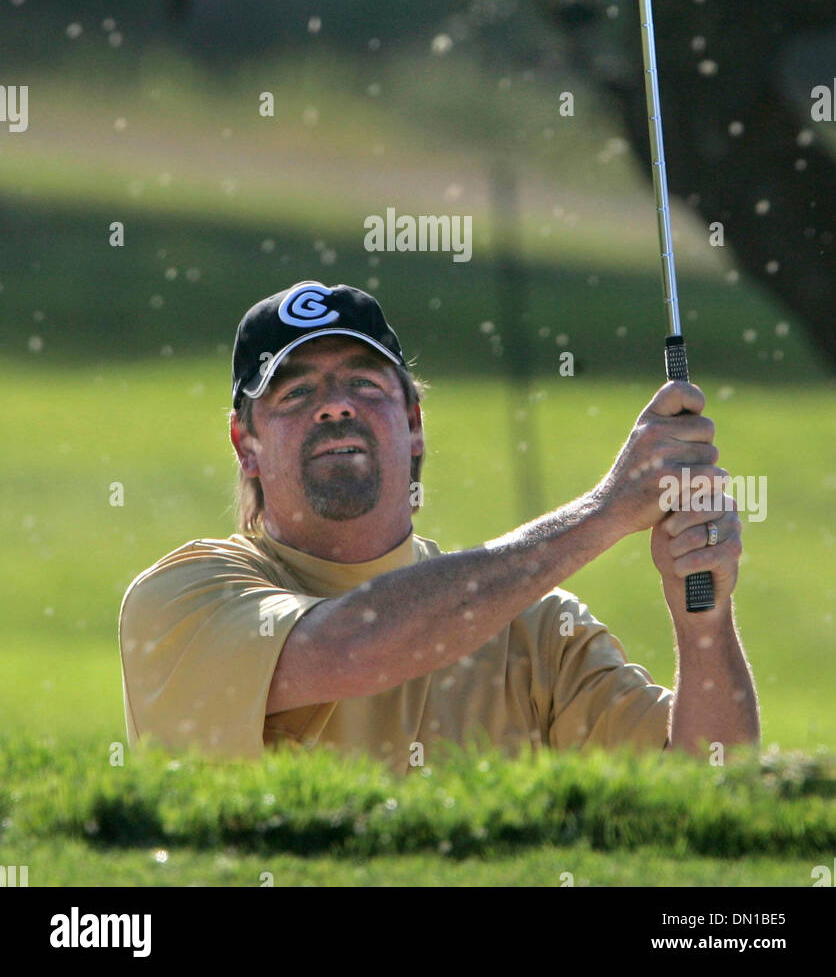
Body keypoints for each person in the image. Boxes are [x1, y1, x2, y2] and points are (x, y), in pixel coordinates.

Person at [119, 279, 759, 771]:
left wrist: (701, 622)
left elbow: (709, 786)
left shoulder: (537, 630)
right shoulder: (180, 599)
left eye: (365, 384)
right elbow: (351, 649)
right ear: (245, 444)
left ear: (414, 421)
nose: (335, 405)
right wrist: (604, 511)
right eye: (294, 393)